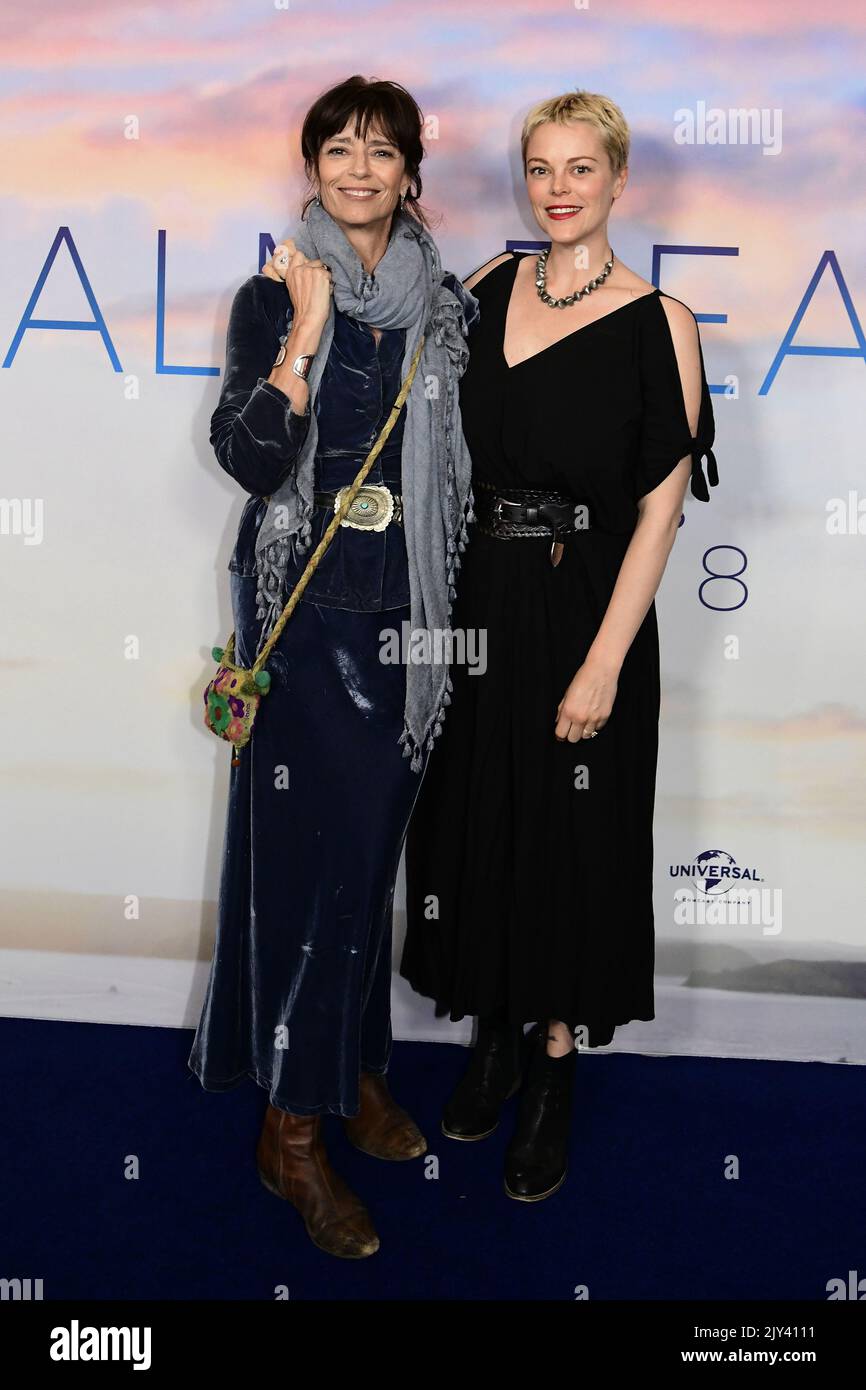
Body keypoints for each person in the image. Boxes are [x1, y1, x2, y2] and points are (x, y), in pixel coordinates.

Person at [400, 88, 720, 1202]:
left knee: (569, 838)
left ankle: (550, 1068)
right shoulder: (484, 290)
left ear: (617, 181)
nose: (559, 187)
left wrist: (601, 660)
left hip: (587, 604)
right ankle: (487, 1033)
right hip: (478, 596)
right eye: (541, 167)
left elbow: (658, 511)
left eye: (581, 168)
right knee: (473, 817)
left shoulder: (658, 321)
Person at [188, 75, 477, 1258]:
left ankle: (353, 1073)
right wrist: (304, 338)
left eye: (380, 150)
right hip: (303, 632)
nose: (358, 168)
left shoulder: (445, 309)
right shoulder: (271, 296)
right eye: (338, 149)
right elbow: (252, 462)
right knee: (311, 879)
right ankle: (290, 1134)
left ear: (412, 168)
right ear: (310, 166)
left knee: (368, 870)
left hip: (408, 630)